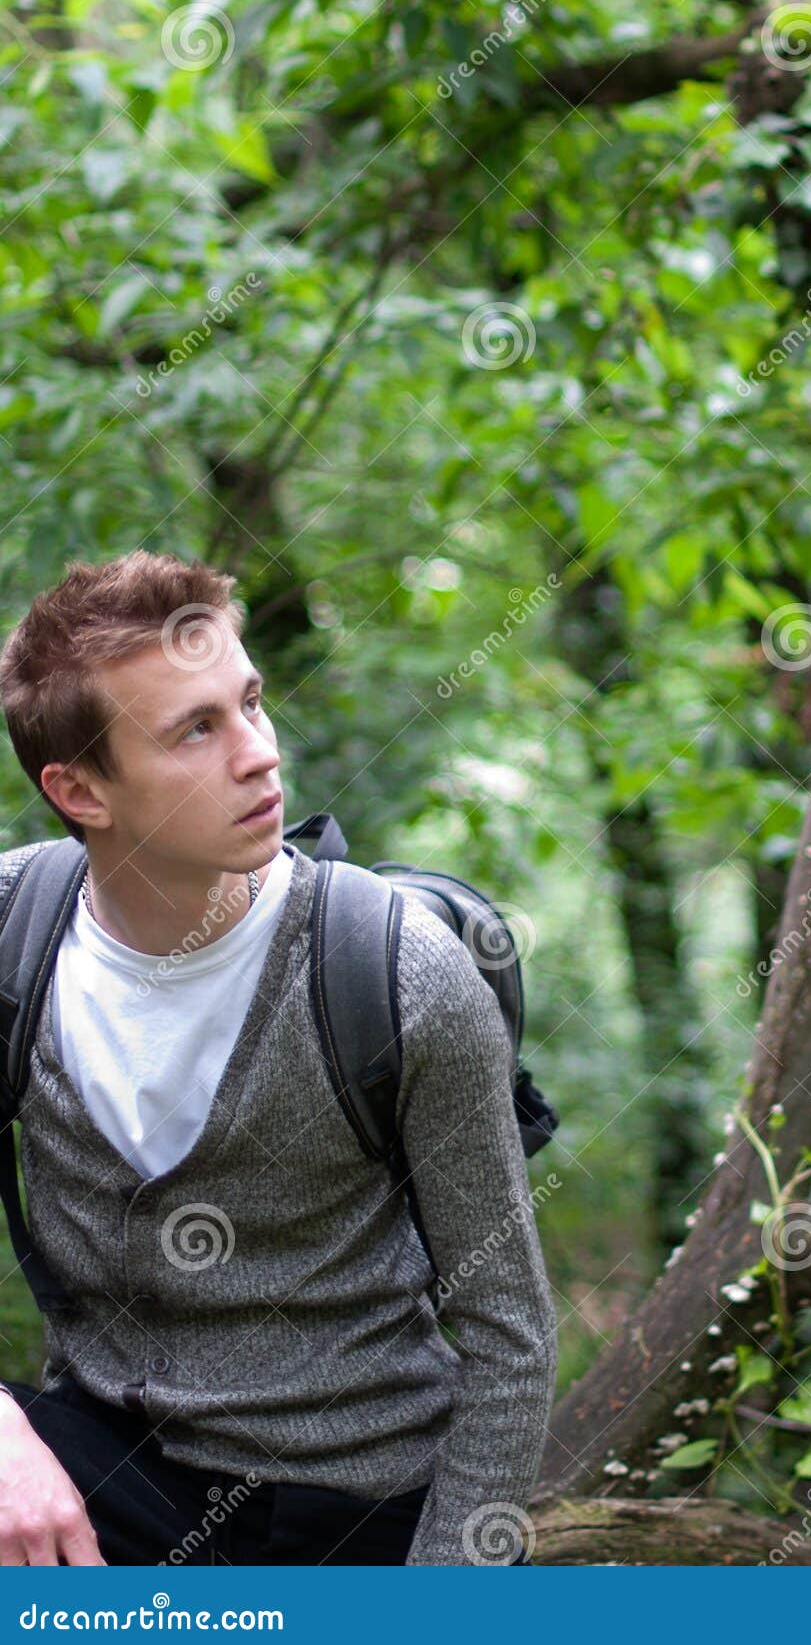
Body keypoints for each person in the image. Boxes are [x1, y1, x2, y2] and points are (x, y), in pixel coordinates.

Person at [0, 551, 557, 1565]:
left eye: (249, 703)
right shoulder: (11, 932)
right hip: (111, 1473)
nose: (259, 754)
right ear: (79, 789)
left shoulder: (398, 973)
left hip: (357, 1500)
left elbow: (509, 1339)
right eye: (196, 730)